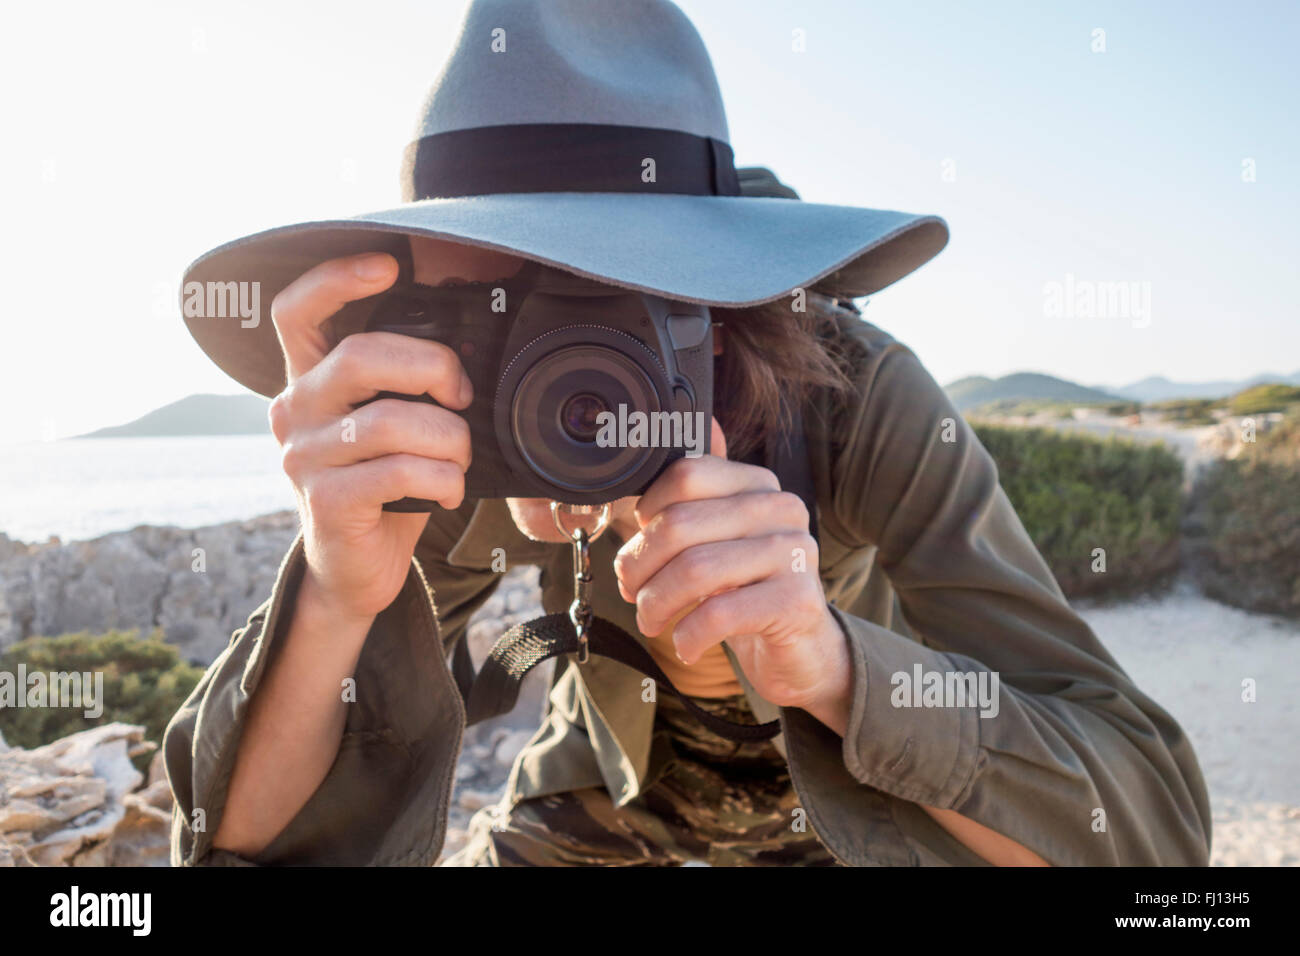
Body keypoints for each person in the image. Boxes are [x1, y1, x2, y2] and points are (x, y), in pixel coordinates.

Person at [163, 0, 1211, 867]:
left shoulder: (851, 397)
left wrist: (833, 662)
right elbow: (229, 851)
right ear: (418, 300)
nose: (558, 368)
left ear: (724, 298)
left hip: (849, 810)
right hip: (599, 797)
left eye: (617, 288)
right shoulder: (438, 430)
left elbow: (1150, 841)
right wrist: (335, 588)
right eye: (497, 296)